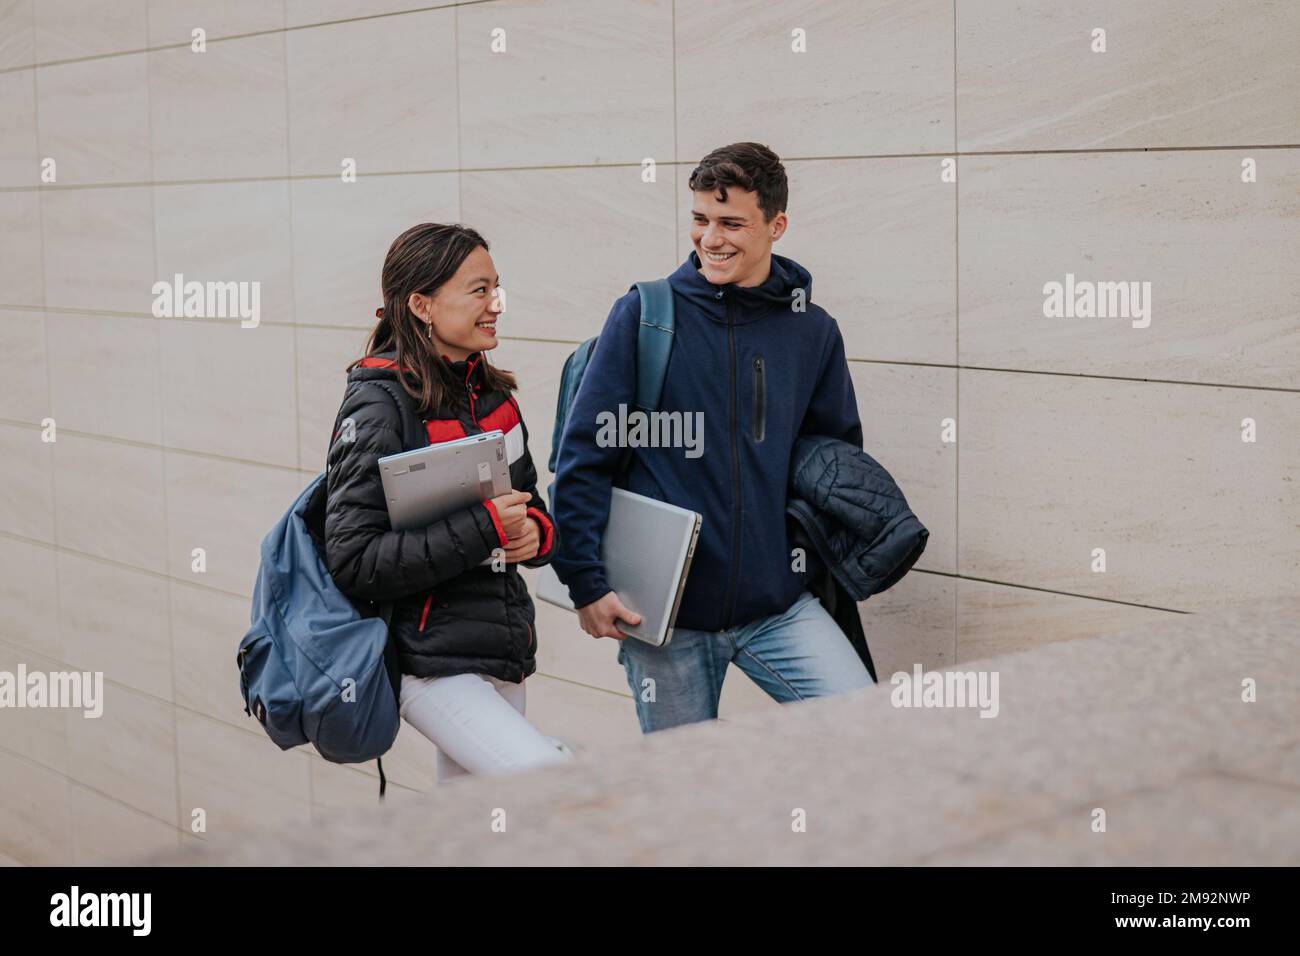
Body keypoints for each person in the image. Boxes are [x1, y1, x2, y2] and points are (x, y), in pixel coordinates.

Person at [551, 142, 874, 733]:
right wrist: (585, 583)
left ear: (777, 224)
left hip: (778, 608)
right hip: (666, 620)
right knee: (684, 792)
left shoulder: (812, 330)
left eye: (732, 223)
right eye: (700, 220)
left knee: (869, 728)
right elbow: (584, 458)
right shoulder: (644, 314)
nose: (711, 239)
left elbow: (833, 459)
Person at [324, 222, 573, 780]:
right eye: (478, 290)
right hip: (428, 665)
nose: (496, 306)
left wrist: (535, 532)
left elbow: (529, 501)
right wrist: (485, 526)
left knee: (482, 835)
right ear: (422, 304)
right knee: (546, 783)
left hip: (503, 653)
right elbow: (355, 561)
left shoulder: (493, 395)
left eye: (496, 289)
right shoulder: (380, 407)